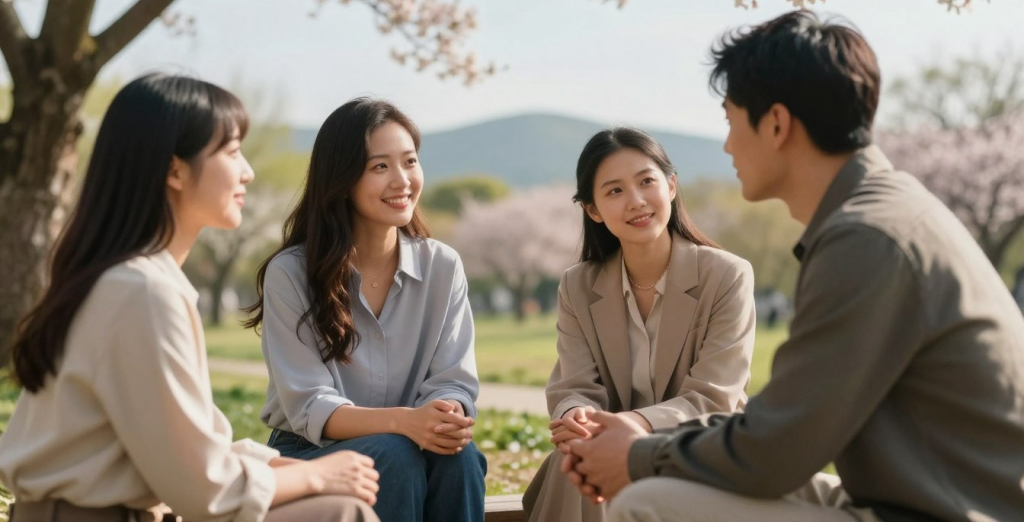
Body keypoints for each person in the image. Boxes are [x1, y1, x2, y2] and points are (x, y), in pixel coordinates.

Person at [562, 10, 1024, 522]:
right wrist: (639, 447)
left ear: (777, 124)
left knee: (648, 499)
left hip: (944, 510)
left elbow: (773, 451)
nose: (728, 145)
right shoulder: (883, 210)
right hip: (904, 492)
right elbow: (781, 432)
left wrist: (638, 454)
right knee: (658, 482)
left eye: (731, 122)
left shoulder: (867, 239)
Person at [0, 74, 380, 522]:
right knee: (339, 512)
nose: (248, 172)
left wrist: (276, 465)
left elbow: (187, 447)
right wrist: (318, 475)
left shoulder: (127, 280)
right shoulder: (141, 292)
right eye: (233, 151)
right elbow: (206, 489)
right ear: (175, 171)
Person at [246, 98, 486, 522]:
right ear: (342, 179)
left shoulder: (442, 266)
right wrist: (406, 423)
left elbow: (453, 380)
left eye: (410, 162)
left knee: (459, 458)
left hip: (410, 444)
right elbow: (309, 405)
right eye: (380, 167)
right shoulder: (291, 273)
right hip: (308, 453)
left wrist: (447, 410)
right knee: (392, 454)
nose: (402, 180)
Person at [523, 127, 756, 522]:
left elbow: (714, 398)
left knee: (596, 452)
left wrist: (624, 426)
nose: (636, 201)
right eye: (614, 191)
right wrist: (578, 414)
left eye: (647, 181)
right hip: (602, 451)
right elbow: (573, 385)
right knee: (581, 453)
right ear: (593, 209)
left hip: (699, 448)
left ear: (671, 186)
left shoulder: (726, 275)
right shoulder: (577, 285)